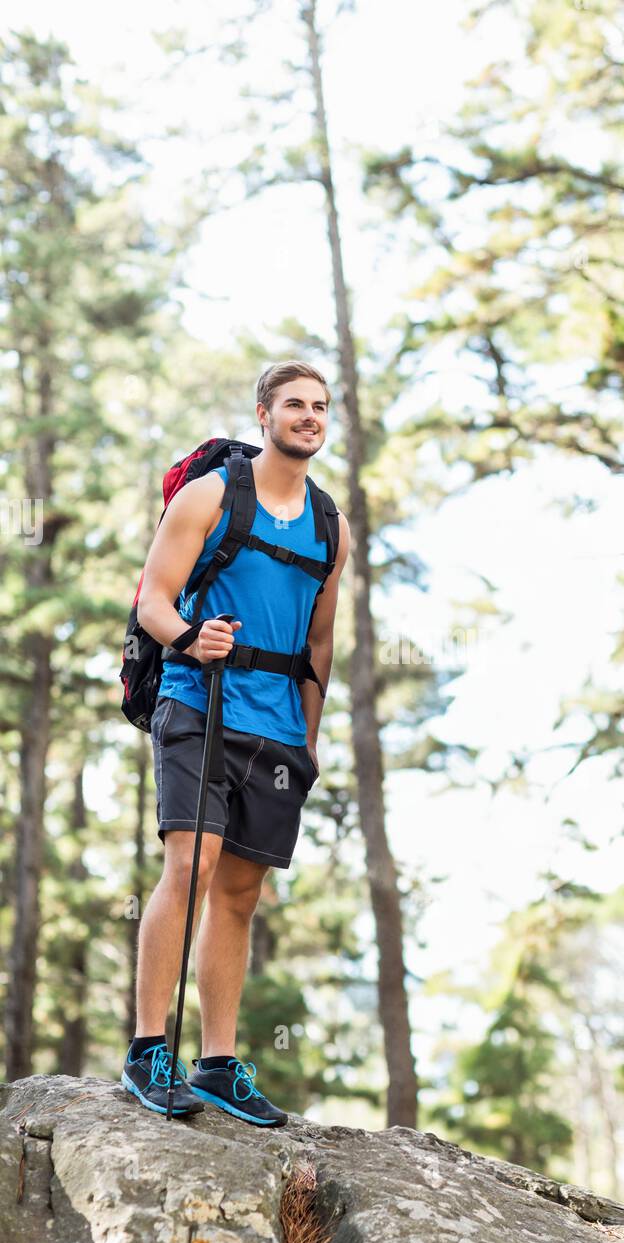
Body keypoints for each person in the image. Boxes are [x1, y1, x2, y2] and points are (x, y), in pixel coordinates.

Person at [120, 361, 350, 1125]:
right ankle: (150, 1050)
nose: (308, 417)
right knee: (190, 863)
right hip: (198, 701)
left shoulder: (330, 524)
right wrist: (193, 636)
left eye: (319, 407)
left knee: (241, 895)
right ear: (264, 414)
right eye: (294, 405)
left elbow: (320, 644)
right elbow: (153, 597)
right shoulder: (212, 493)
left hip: (278, 727)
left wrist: (309, 743)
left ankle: (217, 1063)